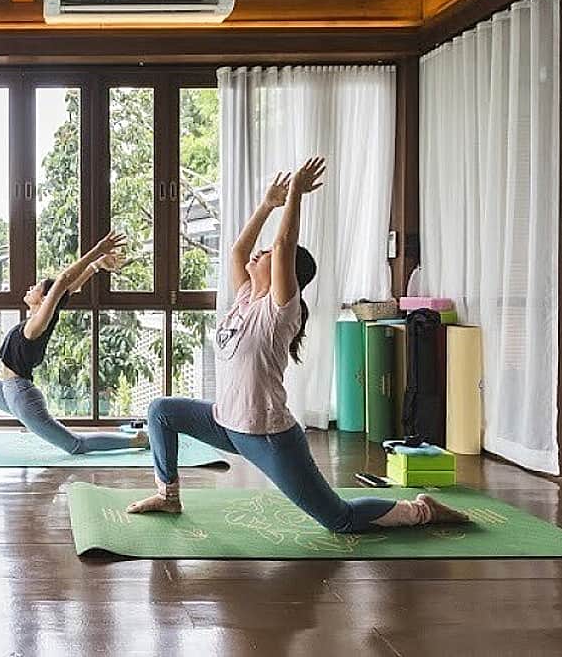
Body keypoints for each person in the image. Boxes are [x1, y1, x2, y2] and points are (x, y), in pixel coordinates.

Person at [127, 157, 468, 532]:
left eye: (268, 255)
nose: (260, 253)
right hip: (224, 422)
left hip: (267, 436)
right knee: (161, 410)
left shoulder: (279, 312)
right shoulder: (244, 298)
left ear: (282, 272)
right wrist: (266, 205)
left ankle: (422, 510)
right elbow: (238, 251)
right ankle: (168, 495)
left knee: (339, 518)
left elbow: (284, 242)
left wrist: (294, 196)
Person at [0, 230, 150, 454]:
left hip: (22, 398)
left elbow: (63, 282)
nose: (29, 288)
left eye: (35, 288)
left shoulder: (36, 325)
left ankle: (137, 441)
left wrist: (97, 249)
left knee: (75, 445)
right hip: (6, 392)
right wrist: (96, 265)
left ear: (43, 299)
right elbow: (69, 287)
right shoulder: (33, 320)